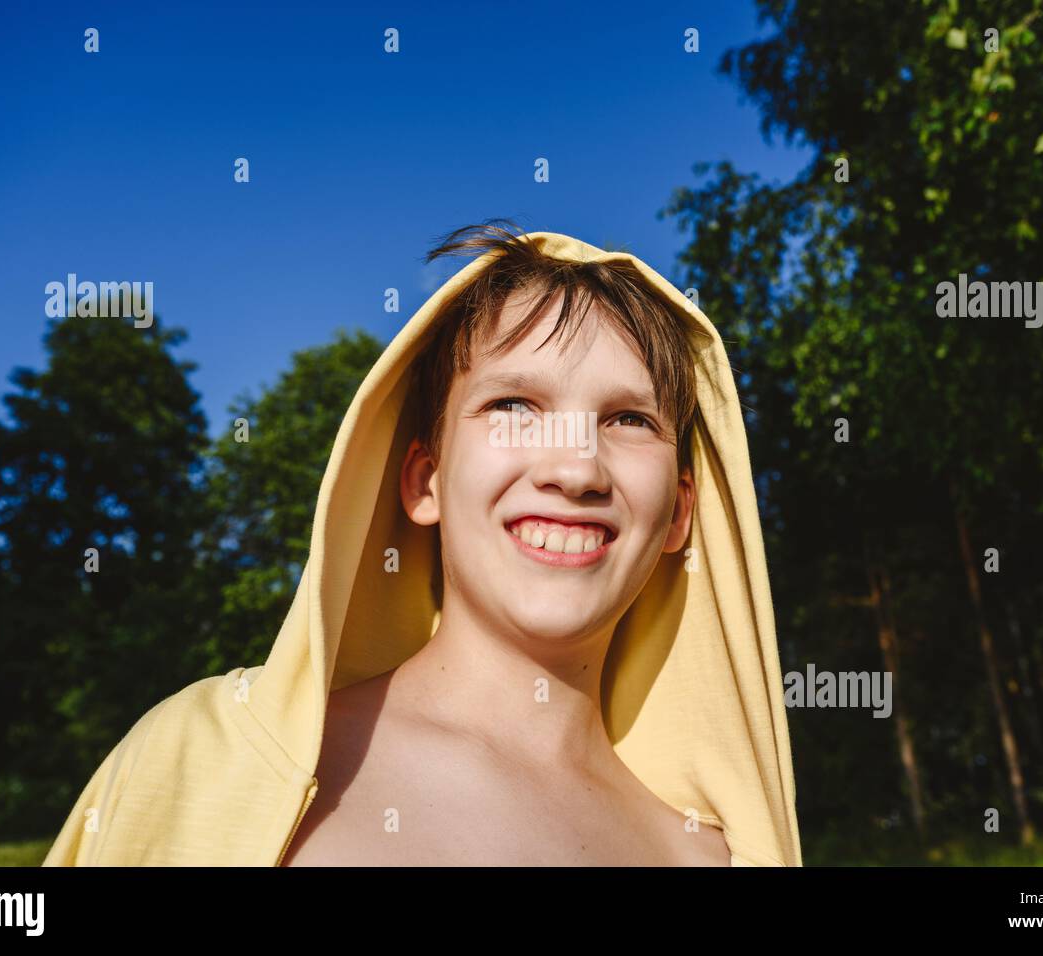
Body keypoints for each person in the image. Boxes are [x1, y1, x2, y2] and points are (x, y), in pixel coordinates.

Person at [42, 222, 802, 866]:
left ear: (679, 515)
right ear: (424, 481)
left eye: (629, 419)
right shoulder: (211, 760)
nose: (576, 467)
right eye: (514, 404)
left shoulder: (706, 854)